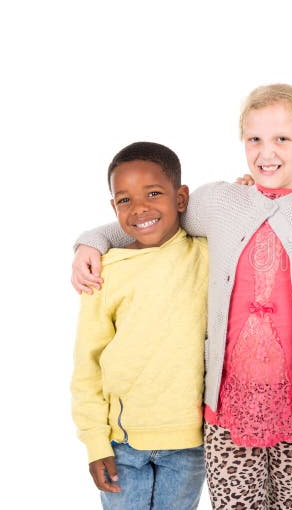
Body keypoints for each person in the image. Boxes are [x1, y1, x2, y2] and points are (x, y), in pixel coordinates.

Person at [71, 85, 292, 509]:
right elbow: (154, 221)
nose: (265, 151)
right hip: (226, 403)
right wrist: (92, 240)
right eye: (254, 139)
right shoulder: (222, 202)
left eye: (282, 139)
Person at [71, 141, 207, 509]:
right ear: (113, 208)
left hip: (190, 444)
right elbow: (88, 366)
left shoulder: (206, 254)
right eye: (125, 200)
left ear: (181, 198)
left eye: (153, 193)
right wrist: (95, 443)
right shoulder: (105, 271)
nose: (140, 208)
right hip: (121, 446)